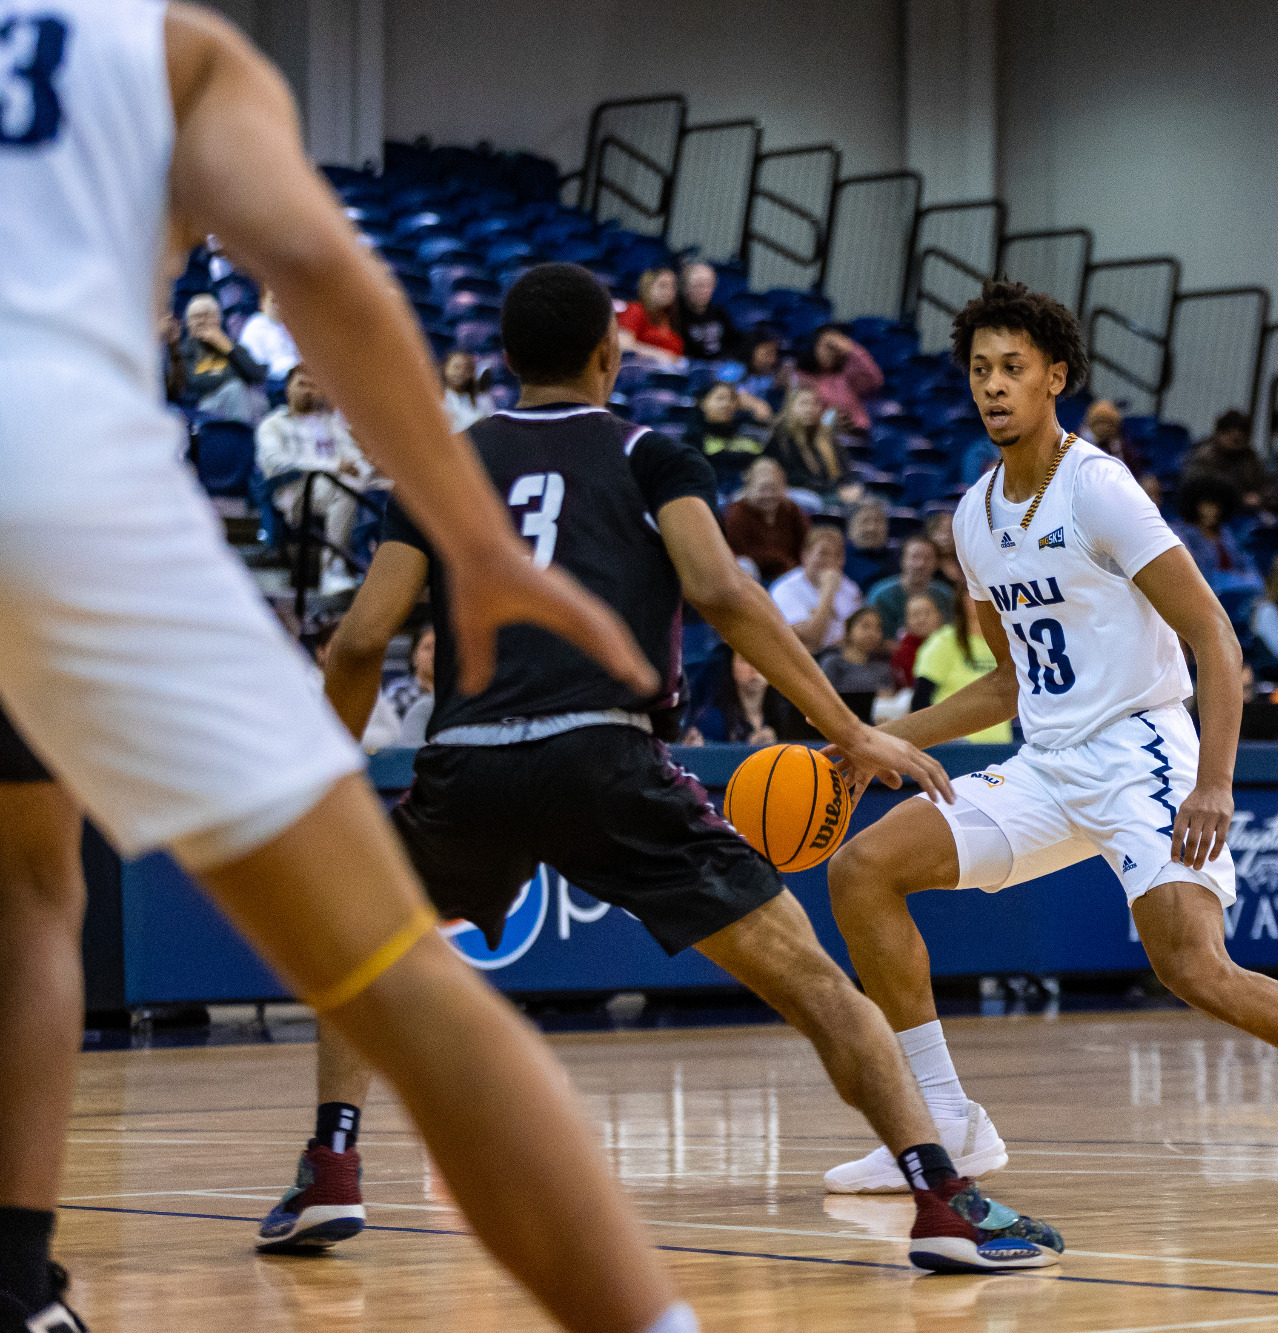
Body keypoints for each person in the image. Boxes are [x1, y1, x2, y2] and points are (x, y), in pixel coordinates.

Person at [0, 10, 716, 1330]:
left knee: (31, 882)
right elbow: (318, 269)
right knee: (384, 965)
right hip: (54, 473)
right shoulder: (168, 51)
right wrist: (474, 541)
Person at [289, 263, 1060, 1276]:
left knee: (363, 947)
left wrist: (312, 768)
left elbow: (356, 647)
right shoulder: (651, 451)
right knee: (821, 988)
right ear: (610, 353)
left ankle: (332, 1166)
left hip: (465, 759)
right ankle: (939, 1199)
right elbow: (722, 593)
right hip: (603, 754)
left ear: (508, 361)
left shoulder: (442, 461)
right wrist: (850, 729)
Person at [821, 279, 1278, 1203]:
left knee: (1192, 965)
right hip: (1048, 762)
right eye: (980, 369)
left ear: (1055, 376)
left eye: (1013, 368)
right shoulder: (973, 518)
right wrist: (874, 739)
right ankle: (944, 1120)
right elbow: (1005, 684)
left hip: (1143, 751)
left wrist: (1213, 781)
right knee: (862, 871)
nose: (993, 385)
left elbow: (1215, 636)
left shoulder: (1098, 488)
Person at [253, 364, 376, 593]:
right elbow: (275, 463)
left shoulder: (332, 423)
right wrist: (332, 466)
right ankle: (333, 571)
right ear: (288, 388)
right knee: (342, 488)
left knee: (381, 490)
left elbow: (353, 457)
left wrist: (361, 468)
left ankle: (377, 570)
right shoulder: (273, 424)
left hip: (334, 487)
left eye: (313, 385)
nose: (308, 391)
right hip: (294, 491)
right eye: (301, 384)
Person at [911, 582, 1013, 743]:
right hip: (956, 746)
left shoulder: (1006, 642)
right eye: (975, 593)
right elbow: (920, 700)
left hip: (1000, 744)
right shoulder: (944, 641)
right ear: (961, 599)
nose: (982, 599)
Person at [177, 290, 267, 421]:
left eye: (208, 316)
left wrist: (229, 349)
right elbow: (194, 384)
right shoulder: (183, 350)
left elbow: (257, 375)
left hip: (238, 403)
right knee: (235, 388)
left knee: (259, 400)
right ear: (188, 323)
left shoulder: (231, 345)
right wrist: (230, 377)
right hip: (202, 408)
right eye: (196, 317)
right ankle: (238, 436)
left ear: (219, 320)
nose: (202, 321)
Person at [771, 524, 862, 651]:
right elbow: (811, 638)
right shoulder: (785, 589)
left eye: (837, 555)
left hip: (842, 662)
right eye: (823, 553)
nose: (830, 560)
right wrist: (828, 592)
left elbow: (859, 642)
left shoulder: (851, 589)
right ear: (805, 556)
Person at [763, 383, 855, 500]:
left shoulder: (825, 437)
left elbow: (845, 471)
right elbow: (795, 480)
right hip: (802, 497)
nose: (810, 409)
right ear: (790, 406)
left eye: (815, 404)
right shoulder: (779, 439)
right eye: (804, 403)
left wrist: (849, 488)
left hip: (831, 493)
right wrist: (836, 492)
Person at [722, 456, 807, 580]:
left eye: (774, 489)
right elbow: (741, 555)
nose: (768, 495)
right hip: (756, 580)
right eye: (762, 489)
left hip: (792, 577)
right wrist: (783, 563)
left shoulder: (791, 509)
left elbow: (805, 545)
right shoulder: (738, 513)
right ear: (749, 489)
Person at [1172, 476, 1257, 591]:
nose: (1211, 511)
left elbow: (1244, 565)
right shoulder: (1187, 536)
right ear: (1195, 506)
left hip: (1235, 595)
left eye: (1215, 506)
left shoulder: (1227, 533)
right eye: (1205, 506)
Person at [360, 623, 435, 750]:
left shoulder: (457, 693)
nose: (435, 653)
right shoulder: (399, 692)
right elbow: (394, 737)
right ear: (414, 655)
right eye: (428, 648)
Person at [799, 325, 883, 434]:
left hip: (857, 435)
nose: (831, 352)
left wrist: (851, 348)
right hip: (820, 435)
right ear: (815, 346)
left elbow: (875, 380)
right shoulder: (803, 378)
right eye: (827, 347)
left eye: (836, 349)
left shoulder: (846, 375)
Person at [868, 535, 956, 638]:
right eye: (915, 557)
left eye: (927, 558)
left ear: (936, 564)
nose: (920, 564)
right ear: (902, 560)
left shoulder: (945, 594)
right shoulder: (882, 595)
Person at [1182, 408, 1267, 508]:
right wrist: (1239, 498)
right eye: (1234, 439)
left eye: (1241, 439)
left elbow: (1263, 484)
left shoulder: (1249, 457)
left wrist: (1260, 497)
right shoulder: (1204, 456)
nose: (1237, 443)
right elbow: (1199, 489)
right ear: (1219, 434)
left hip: (1242, 512)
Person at [819, 606, 897, 697]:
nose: (872, 633)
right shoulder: (833, 663)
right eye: (865, 626)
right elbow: (823, 697)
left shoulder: (881, 668)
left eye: (877, 628)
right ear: (849, 629)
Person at [616, 266, 685, 365]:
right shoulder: (635, 310)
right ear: (647, 286)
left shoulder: (671, 316)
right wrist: (660, 355)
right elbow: (624, 345)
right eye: (663, 285)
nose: (668, 291)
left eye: (672, 286)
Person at [677, 260, 738, 361]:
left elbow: (733, 342)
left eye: (708, 285)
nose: (703, 291)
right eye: (698, 285)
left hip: (719, 365)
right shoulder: (676, 314)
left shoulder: (719, 313)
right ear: (685, 287)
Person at [237, 286, 298, 382]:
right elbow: (256, 367)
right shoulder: (254, 327)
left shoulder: (290, 322)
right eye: (273, 301)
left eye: (280, 301)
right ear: (262, 303)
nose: (277, 306)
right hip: (276, 381)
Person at [693, 380, 763, 462]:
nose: (727, 404)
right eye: (720, 398)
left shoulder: (747, 430)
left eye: (732, 399)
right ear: (702, 403)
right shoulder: (694, 437)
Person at [891, 590, 946, 691]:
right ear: (907, 621)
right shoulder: (901, 654)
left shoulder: (953, 643)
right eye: (915, 615)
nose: (922, 619)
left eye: (927, 613)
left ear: (939, 616)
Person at [843, 498, 898, 590]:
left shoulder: (898, 561)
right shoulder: (841, 558)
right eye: (865, 521)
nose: (871, 528)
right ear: (850, 527)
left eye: (878, 521)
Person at [441, 349, 494, 431]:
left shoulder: (482, 400)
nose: (461, 373)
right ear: (445, 367)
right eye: (456, 367)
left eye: (467, 369)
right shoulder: (438, 398)